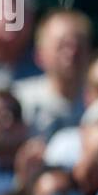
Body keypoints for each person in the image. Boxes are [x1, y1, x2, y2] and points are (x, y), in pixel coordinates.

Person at [13, 8, 90, 139]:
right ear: (39, 55)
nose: (72, 53)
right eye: (62, 45)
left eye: (79, 45)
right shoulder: (19, 101)